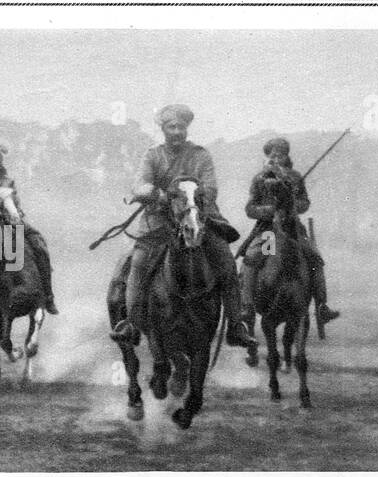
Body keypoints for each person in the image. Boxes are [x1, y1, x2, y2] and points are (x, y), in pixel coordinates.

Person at [110, 104, 256, 347]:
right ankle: (132, 325)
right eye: (171, 127)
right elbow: (140, 184)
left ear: (187, 128)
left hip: (197, 219)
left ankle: (235, 325)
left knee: (226, 261)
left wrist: (194, 200)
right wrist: (158, 194)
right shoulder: (153, 155)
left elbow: (210, 187)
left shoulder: (200, 155)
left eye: (181, 127)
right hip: (158, 222)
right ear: (163, 129)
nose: (177, 131)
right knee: (137, 263)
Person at [238, 137, 340, 327]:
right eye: (273, 155)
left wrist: (292, 205)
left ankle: (322, 307)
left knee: (314, 257)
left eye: (281, 154)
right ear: (268, 157)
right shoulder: (260, 179)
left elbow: (305, 203)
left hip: (293, 230)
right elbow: (250, 208)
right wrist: (269, 211)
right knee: (253, 257)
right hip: (268, 232)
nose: (277, 158)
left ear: (286, 156)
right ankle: (247, 306)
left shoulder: (295, 177)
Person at [0, 145, 58, 314]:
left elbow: (10, 203)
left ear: (0, 165)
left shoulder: (6, 182)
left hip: (12, 224)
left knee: (39, 247)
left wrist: (0, 209)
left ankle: (48, 295)